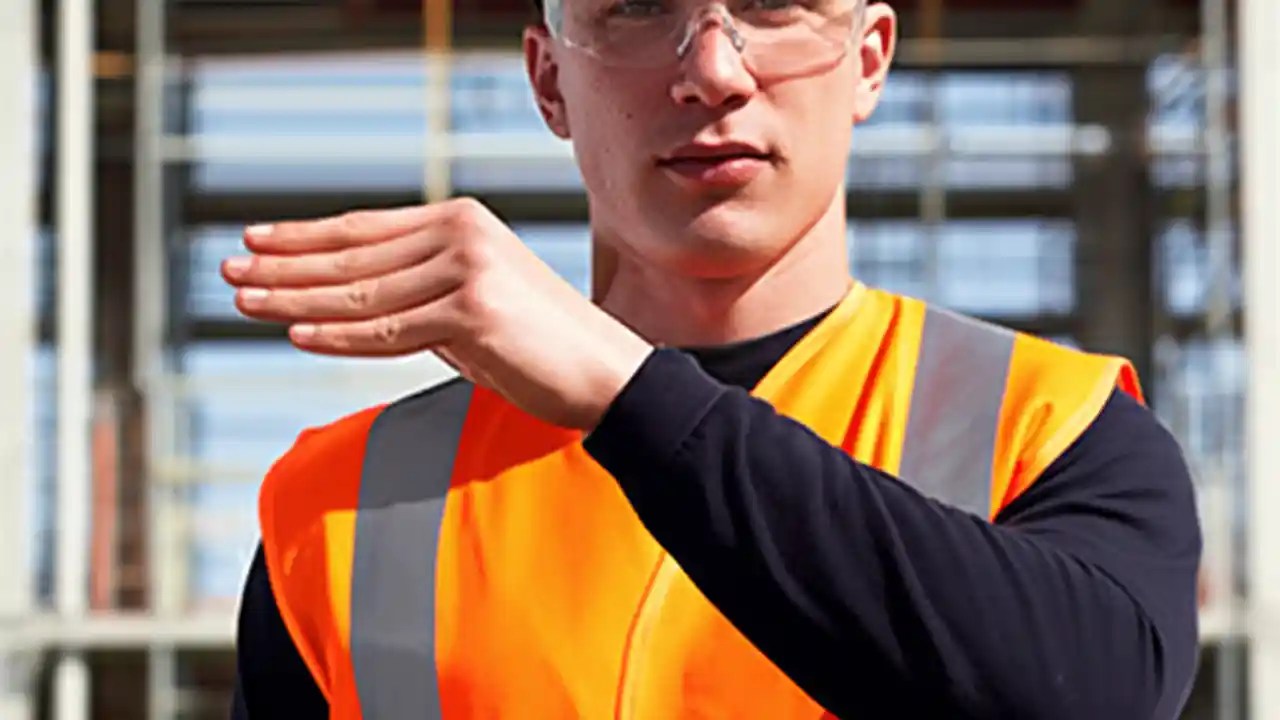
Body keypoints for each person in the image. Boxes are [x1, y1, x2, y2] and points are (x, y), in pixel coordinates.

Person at [225, 0, 1202, 717]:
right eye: (639, 10)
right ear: (548, 80)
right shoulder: (345, 507)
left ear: (868, 60)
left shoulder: (1047, 428)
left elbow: (1098, 697)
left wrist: (629, 396)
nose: (712, 73)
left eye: (773, 8)